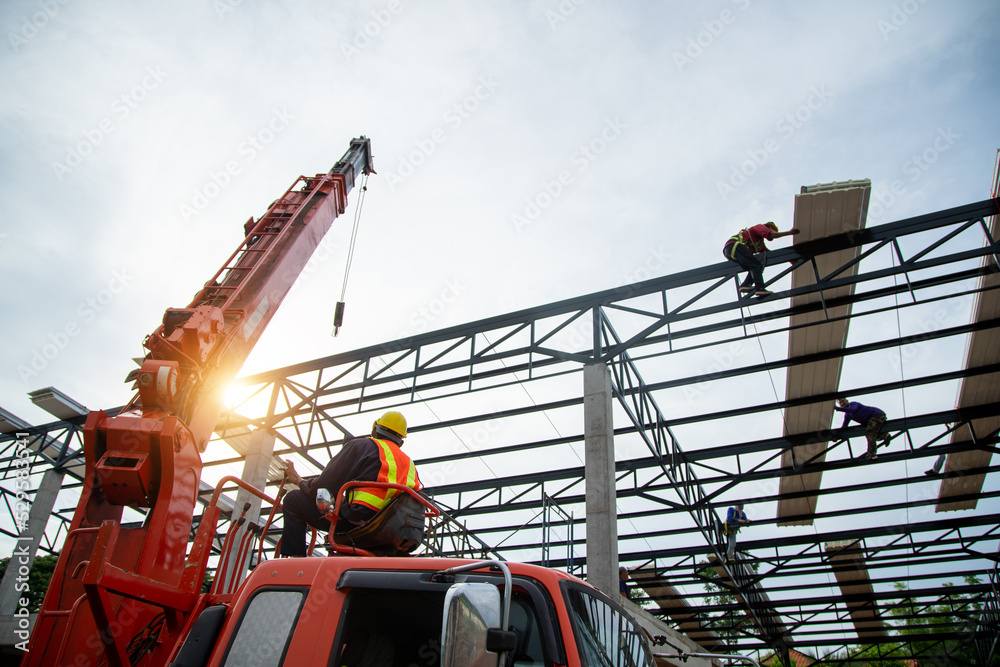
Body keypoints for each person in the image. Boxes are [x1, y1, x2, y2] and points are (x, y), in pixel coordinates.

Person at [279, 410, 420, 557]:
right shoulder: (411, 466)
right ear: (401, 442)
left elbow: (324, 486)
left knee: (294, 499)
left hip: (359, 525)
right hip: (397, 533)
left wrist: (298, 480)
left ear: (374, 430)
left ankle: (296, 559)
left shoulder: (362, 446)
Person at [723, 222, 800, 298]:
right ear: (769, 227)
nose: (774, 233)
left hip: (731, 251)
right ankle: (760, 288)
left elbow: (770, 254)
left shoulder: (760, 244)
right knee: (756, 264)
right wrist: (790, 233)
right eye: (774, 230)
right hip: (734, 245)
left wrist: (789, 259)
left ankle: (746, 284)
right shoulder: (760, 227)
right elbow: (771, 235)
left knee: (756, 267)